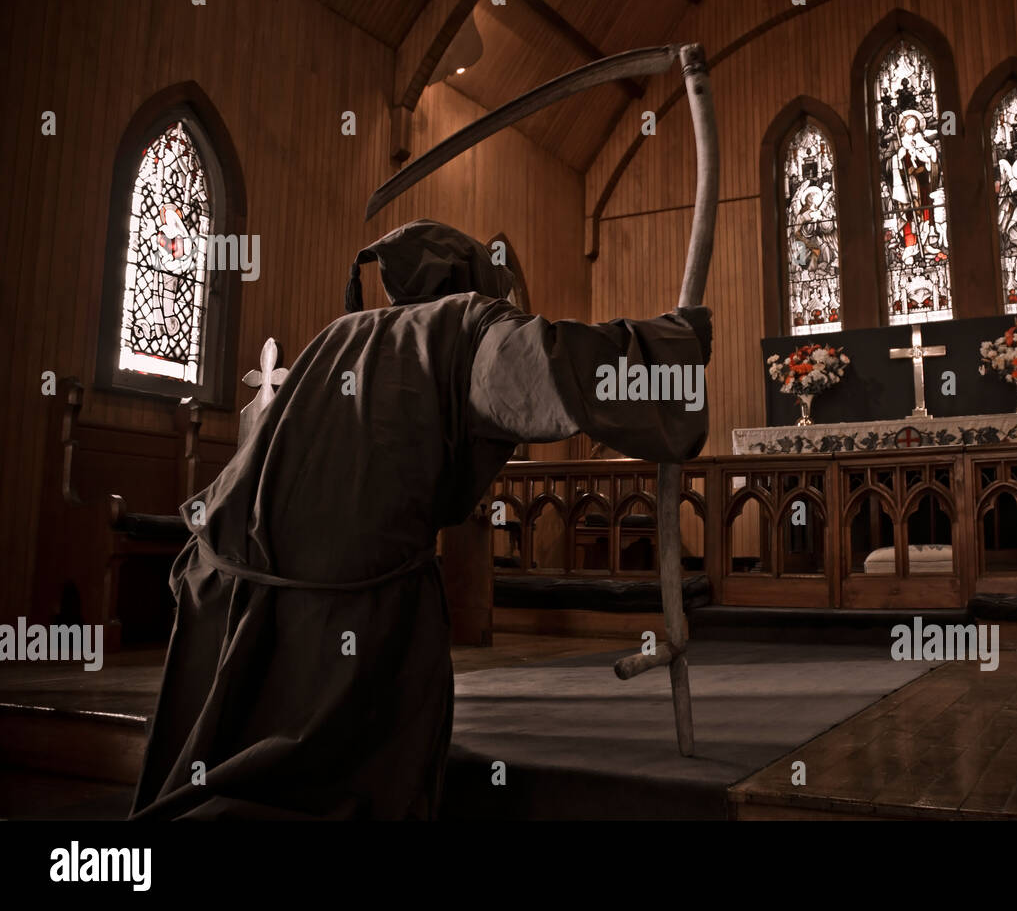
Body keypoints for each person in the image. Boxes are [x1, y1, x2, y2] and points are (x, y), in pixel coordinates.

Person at [130, 219, 711, 819]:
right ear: (476, 282)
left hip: (218, 583)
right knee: (321, 786)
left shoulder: (341, 332)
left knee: (212, 759)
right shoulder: (461, 327)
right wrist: (672, 349)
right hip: (332, 606)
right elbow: (559, 371)